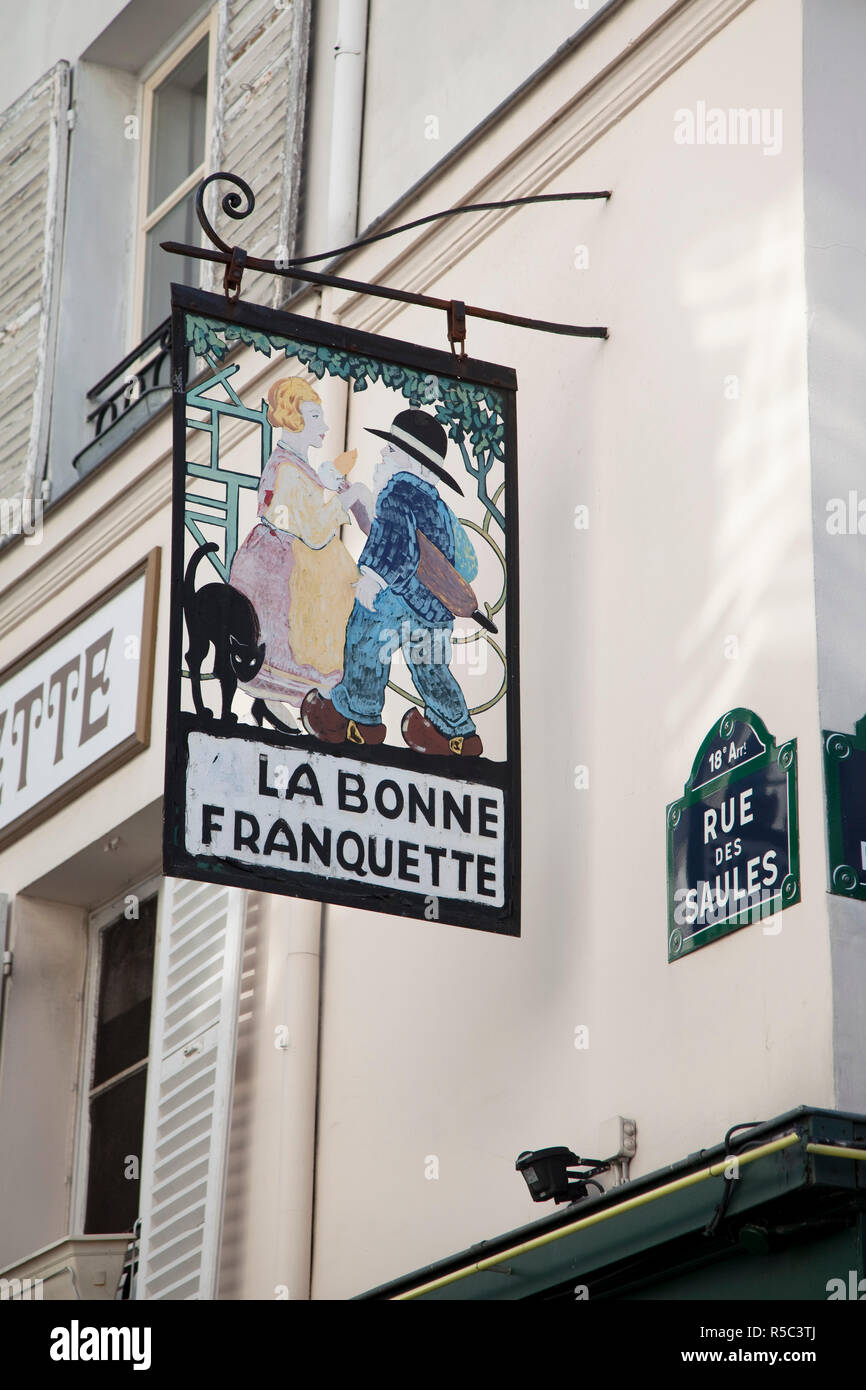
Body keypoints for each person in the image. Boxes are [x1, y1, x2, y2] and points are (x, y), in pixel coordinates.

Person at [301, 408, 482, 756]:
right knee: (430, 666)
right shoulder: (435, 503)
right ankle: (457, 732)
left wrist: (372, 578)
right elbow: (413, 541)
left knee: (365, 639)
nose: (383, 453)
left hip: (397, 594)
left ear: (414, 462)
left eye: (393, 449)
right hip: (434, 605)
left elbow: (395, 543)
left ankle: (358, 718)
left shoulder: (397, 490)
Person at [229, 376, 368, 730]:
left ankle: (289, 702)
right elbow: (313, 530)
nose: (324, 426)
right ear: (295, 419)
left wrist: (334, 484)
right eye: (315, 418)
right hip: (283, 567)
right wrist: (347, 499)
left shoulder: (298, 465)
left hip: (296, 559)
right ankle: (280, 700)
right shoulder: (287, 468)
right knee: (293, 636)